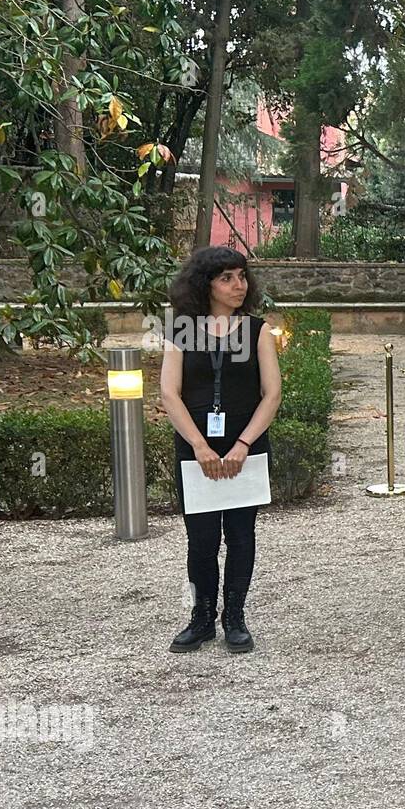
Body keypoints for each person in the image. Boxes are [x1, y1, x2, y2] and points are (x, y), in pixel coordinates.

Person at [160, 246, 281, 653]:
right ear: (205, 284)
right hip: (196, 451)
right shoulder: (180, 331)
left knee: (242, 535)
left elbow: (272, 394)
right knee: (201, 539)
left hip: (246, 447)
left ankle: (235, 617)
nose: (238, 285)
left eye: (242, 276)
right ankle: (201, 617)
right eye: (226, 277)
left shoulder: (257, 330)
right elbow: (169, 393)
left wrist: (244, 443)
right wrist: (198, 445)